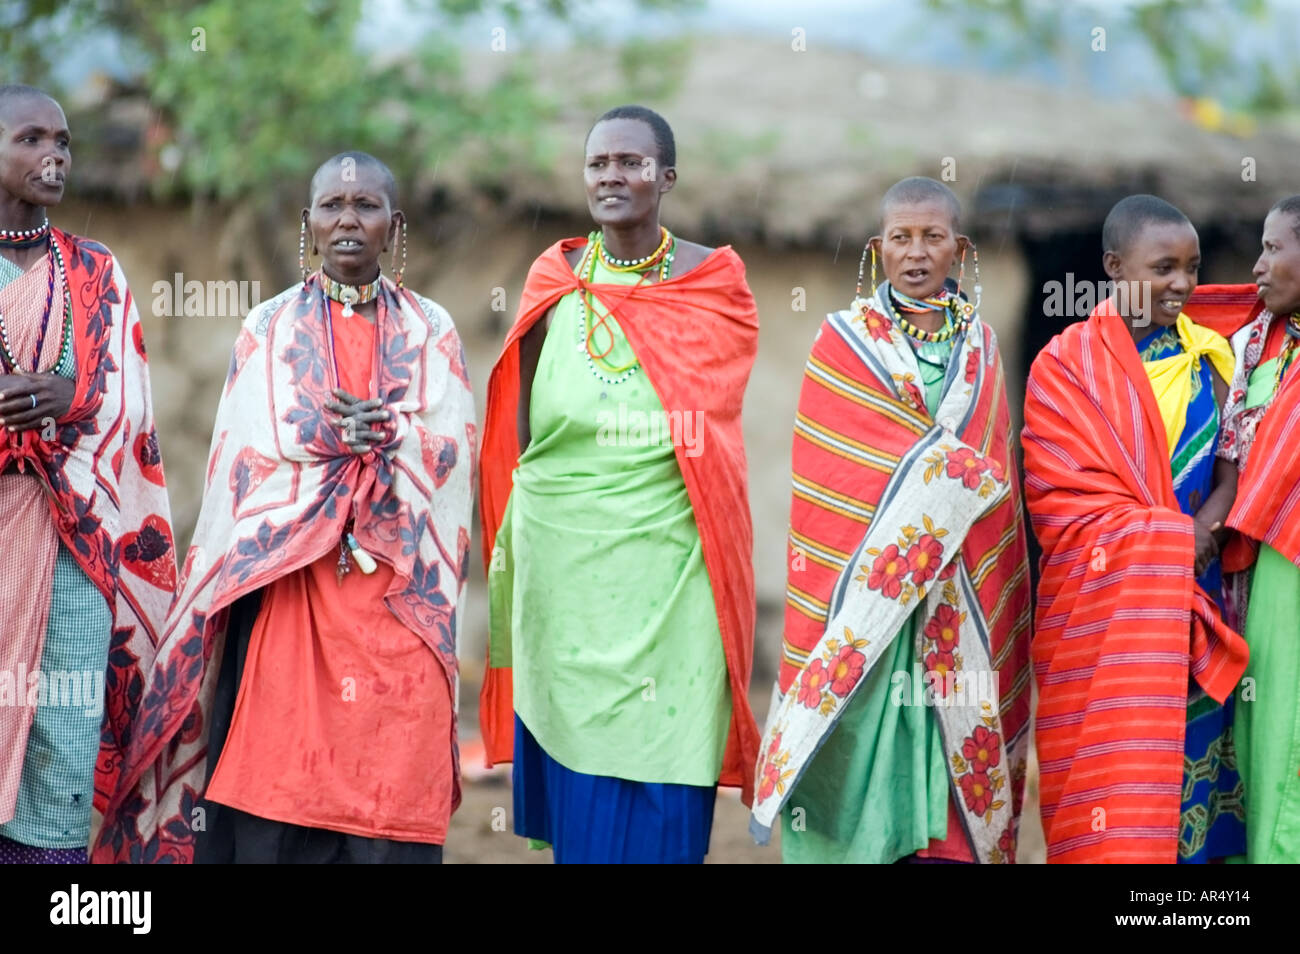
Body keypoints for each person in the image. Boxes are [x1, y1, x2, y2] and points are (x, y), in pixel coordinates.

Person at [95, 152, 475, 863]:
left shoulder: (434, 329)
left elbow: (452, 449)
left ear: (395, 226)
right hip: (293, 595)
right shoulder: (269, 328)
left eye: (366, 206)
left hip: (396, 600)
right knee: (279, 781)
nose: (348, 220)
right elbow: (245, 463)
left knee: (389, 788)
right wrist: (329, 441)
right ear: (308, 223)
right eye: (332, 205)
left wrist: (392, 437)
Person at [480, 105, 760, 863]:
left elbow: (714, 432)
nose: (613, 176)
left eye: (632, 162)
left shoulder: (711, 284)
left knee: (670, 754)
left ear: (666, 177)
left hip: (672, 569)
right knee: (584, 790)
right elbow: (524, 418)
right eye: (599, 162)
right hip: (567, 569)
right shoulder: (554, 280)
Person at [749, 177, 1033, 863]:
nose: (916, 252)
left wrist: (946, 497)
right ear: (878, 249)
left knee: (950, 772)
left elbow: (994, 477)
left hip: (959, 603)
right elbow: (831, 478)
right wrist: (931, 494)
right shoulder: (842, 346)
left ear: (959, 249)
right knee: (863, 782)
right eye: (901, 238)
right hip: (868, 609)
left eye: (932, 237)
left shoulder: (984, 350)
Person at [1022, 194, 1249, 863]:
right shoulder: (1065, 371)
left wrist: (1200, 535)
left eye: (1192, 268)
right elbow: (1064, 511)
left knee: (1195, 788)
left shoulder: (1216, 360)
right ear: (1114, 267)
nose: (1181, 283)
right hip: (1111, 611)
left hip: (1203, 606)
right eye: (1162, 268)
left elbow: (1239, 471)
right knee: (1114, 799)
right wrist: (1174, 544)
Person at [0, 84, 176, 864]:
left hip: (74, 547)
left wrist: (75, 398)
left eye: (64, 142)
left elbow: (132, 409)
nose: (55, 156)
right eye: (32, 139)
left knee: (61, 741)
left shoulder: (95, 271)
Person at [1216, 195, 1300, 863]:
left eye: (1275, 248)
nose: (1259, 265)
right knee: (1261, 730)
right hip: (1258, 568)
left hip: (1290, 568)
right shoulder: (1254, 345)